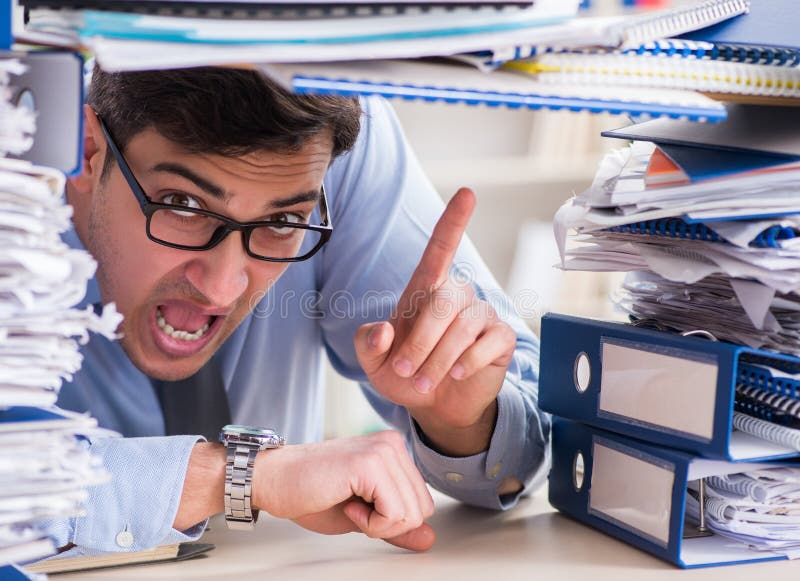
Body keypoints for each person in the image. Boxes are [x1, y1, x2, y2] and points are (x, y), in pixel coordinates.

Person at [49, 64, 550, 556]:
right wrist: (238, 476)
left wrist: (462, 423)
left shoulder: (332, 134)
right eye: (181, 204)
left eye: (284, 220)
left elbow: (535, 435)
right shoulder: (22, 149)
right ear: (88, 153)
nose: (223, 289)